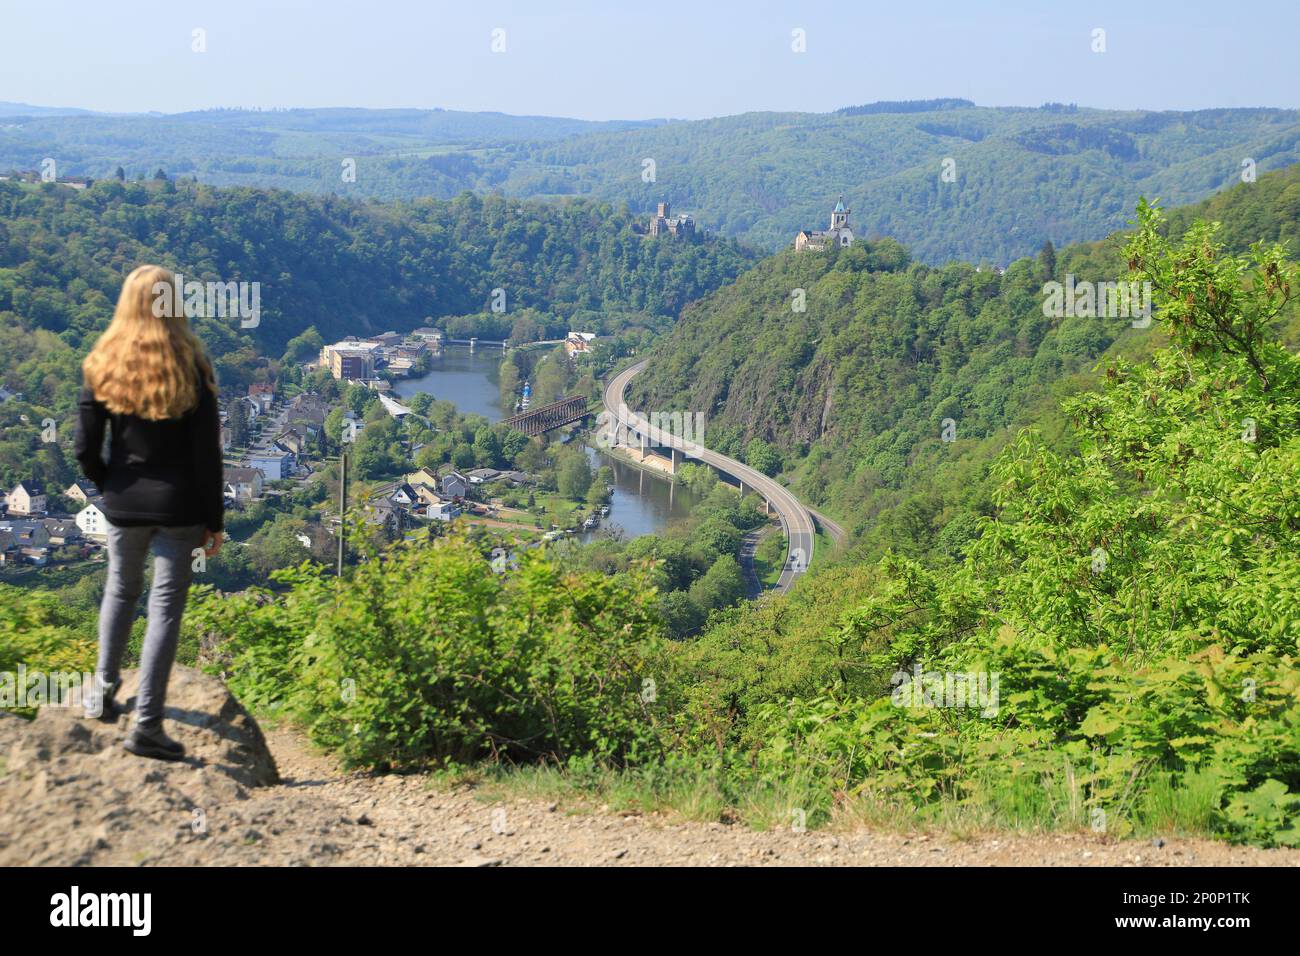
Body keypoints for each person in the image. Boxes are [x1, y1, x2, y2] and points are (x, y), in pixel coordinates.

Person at [74, 264, 224, 760]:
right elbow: (207, 457)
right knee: (163, 611)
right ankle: (148, 725)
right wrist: (214, 520)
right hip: (180, 507)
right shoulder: (192, 367)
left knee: (119, 592)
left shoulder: (103, 363)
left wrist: (110, 485)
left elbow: (84, 449)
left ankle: (101, 693)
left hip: (123, 504)